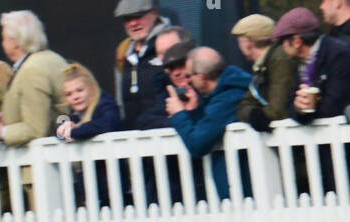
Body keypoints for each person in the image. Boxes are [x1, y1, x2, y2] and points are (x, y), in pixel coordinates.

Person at [167, 47, 252, 199]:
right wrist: (193, 111)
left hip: (243, 189)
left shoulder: (228, 97)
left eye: (189, 75)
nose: (188, 81)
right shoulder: (223, 94)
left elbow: (198, 144)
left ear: (202, 77)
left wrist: (179, 114)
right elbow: (208, 126)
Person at [0, 12, 68, 147]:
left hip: (46, 162)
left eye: (4, 38)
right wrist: (6, 118)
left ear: (16, 42)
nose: (2, 43)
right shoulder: (52, 58)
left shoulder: (31, 70)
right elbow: (46, 111)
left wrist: (1, 132)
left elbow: (36, 129)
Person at [278, 7, 350, 124]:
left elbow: (336, 105)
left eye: (281, 41)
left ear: (297, 41)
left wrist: (313, 107)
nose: (281, 47)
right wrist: (300, 109)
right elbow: (289, 106)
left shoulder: (340, 55)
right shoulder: (303, 63)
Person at [113, 0, 173, 130]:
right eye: (128, 19)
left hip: (169, 138)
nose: (133, 23)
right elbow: (120, 104)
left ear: (154, 13)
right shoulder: (123, 52)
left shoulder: (173, 42)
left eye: (138, 16)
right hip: (134, 142)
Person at [233, 14, 299, 129]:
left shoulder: (280, 60)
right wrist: (253, 114)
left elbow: (278, 110)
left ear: (247, 43)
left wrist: (259, 116)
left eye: (239, 40)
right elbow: (243, 106)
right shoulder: (263, 64)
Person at [57, 63, 120, 142]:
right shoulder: (74, 115)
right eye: (69, 94)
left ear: (92, 89)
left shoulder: (106, 105)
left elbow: (107, 124)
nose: (75, 97)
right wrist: (63, 130)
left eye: (80, 90)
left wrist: (74, 131)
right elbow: (60, 134)